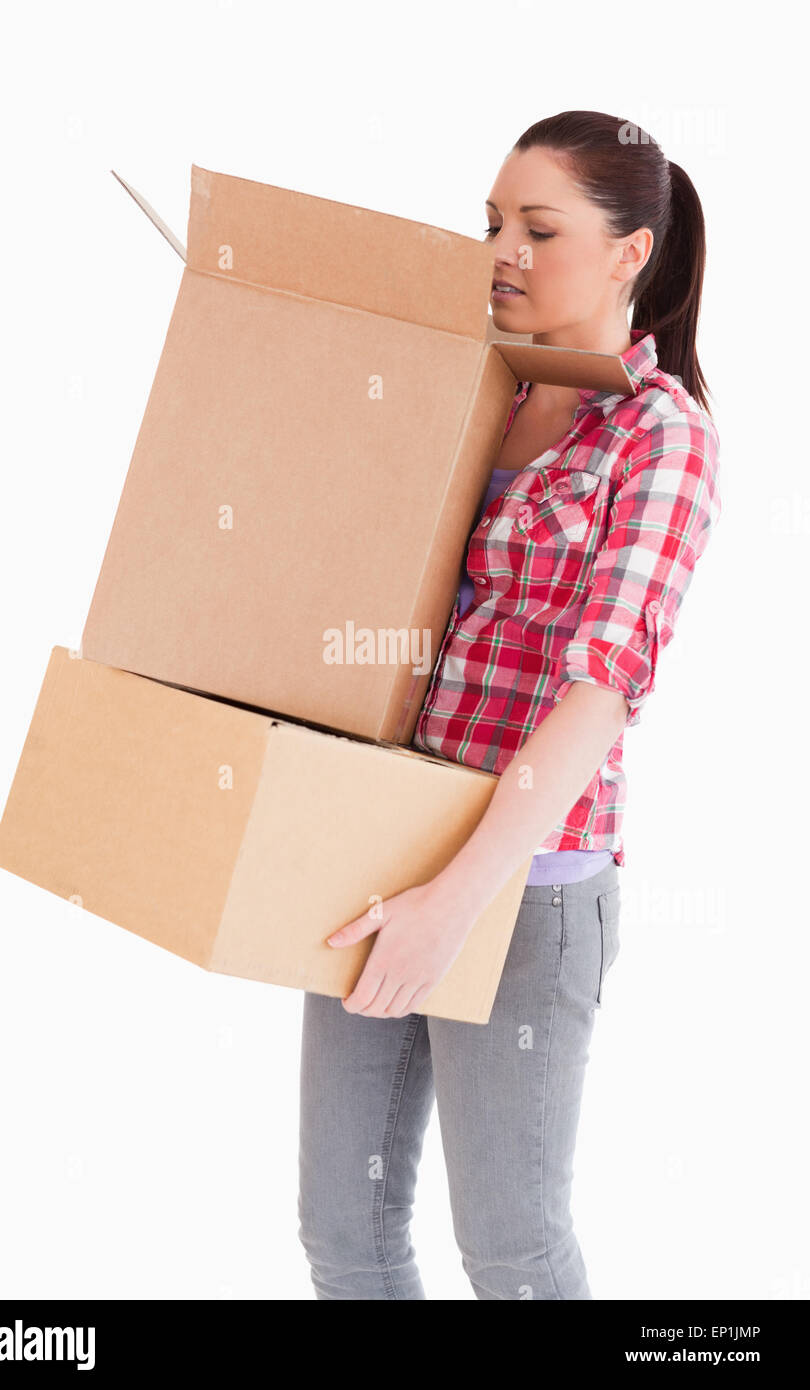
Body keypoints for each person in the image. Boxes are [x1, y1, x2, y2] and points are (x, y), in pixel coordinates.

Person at [297, 110, 722, 1300]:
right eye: (491, 223)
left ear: (629, 252)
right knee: (343, 1229)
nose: (501, 251)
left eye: (539, 228)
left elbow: (599, 692)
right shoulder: (474, 387)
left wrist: (452, 902)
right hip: (374, 848)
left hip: (524, 890)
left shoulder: (658, 436)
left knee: (514, 1256)